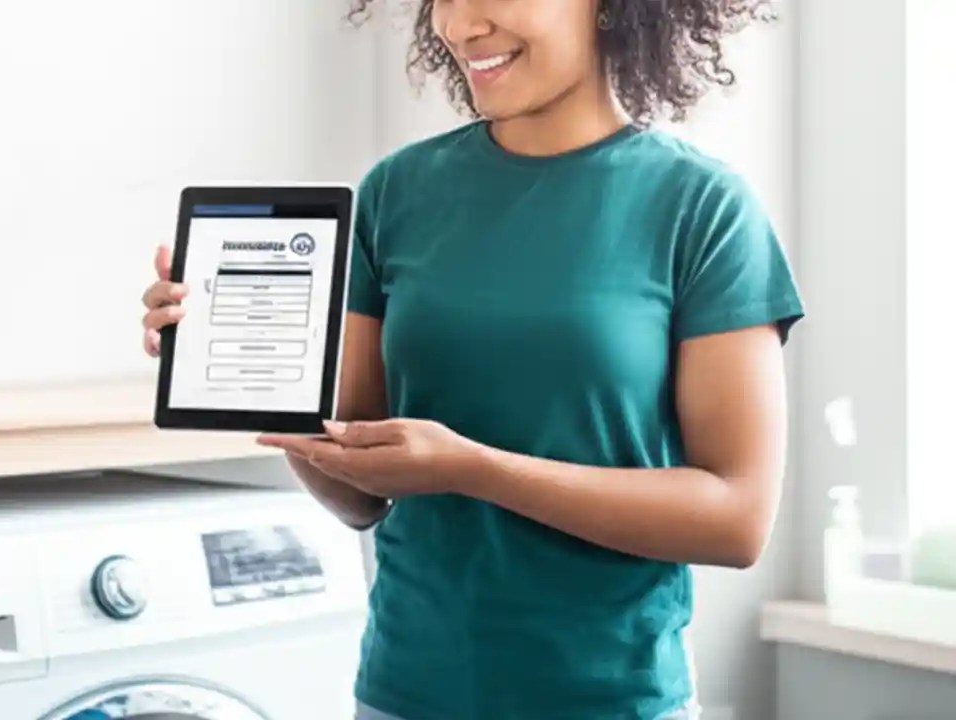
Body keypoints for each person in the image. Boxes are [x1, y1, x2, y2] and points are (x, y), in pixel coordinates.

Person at [140, 0, 803, 717]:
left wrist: (470, 468)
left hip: (613, 703)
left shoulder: (701, 209)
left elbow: (737, 519)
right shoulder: (396, 194)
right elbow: (360, 495)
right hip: (404, 694)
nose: (458, 25)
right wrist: (246, 363)